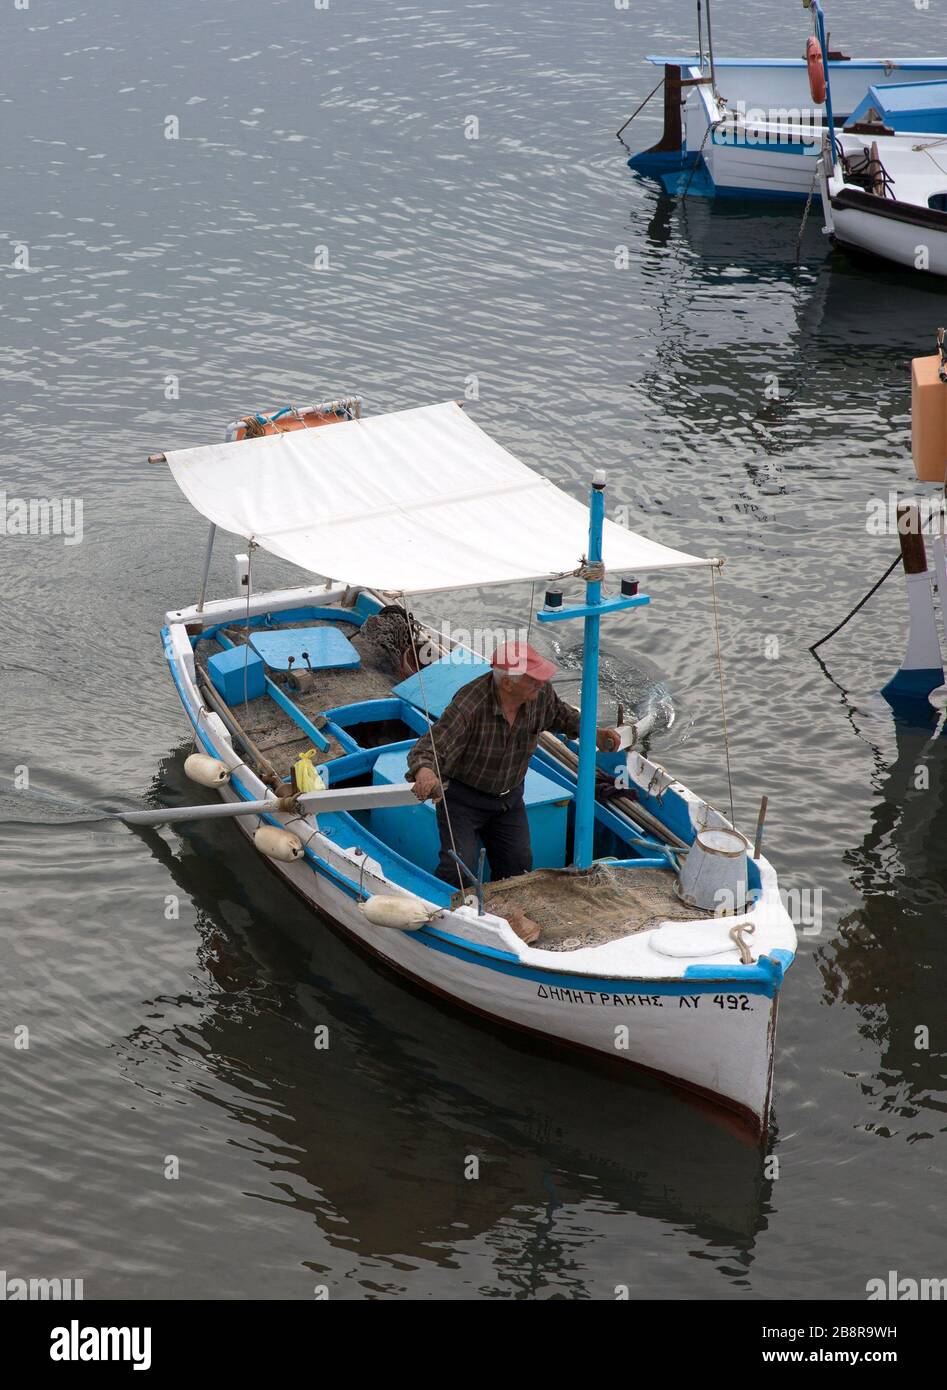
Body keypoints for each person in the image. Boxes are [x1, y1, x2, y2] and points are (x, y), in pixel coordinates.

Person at [406, 641, 621, 903]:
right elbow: (428, 748)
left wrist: (594, 733)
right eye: (533, 680)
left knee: (518, 866)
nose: (541, 684)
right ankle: (439, 909)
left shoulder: (540, 696)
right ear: (508, 683)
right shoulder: (469, 705)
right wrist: (425, 773)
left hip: (509, 799)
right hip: (462, 800)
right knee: (459, 869)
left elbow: (563, 717)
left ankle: (508, 914)